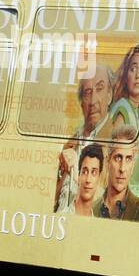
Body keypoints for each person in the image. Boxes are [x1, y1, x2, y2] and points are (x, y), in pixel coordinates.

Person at [54, 65, 115, 212]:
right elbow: (53, 198)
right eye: (88, 92)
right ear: (82, 102)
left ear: (109, 95)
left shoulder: (116, 141)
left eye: (99, 89)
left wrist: (76, 172)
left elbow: (109, 201)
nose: (93, 100)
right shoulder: (71, 141)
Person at [99, 126, 139, 222]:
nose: (122, 168)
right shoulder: (93, 206)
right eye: (118, 158)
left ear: (132, 166)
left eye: (128, 159)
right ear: (108, 162)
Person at [108, 43, 139, 142]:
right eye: (133, 69)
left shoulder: (132, 109)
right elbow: (115, 150)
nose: (138, 75)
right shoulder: (123, 109)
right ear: (125, 76)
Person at [70, 144, 104, 217]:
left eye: (94, 172)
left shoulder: (98, 225)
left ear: (99, 178)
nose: (88, 180)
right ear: (79, 176)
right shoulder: (63, 216)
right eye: (85, 172)